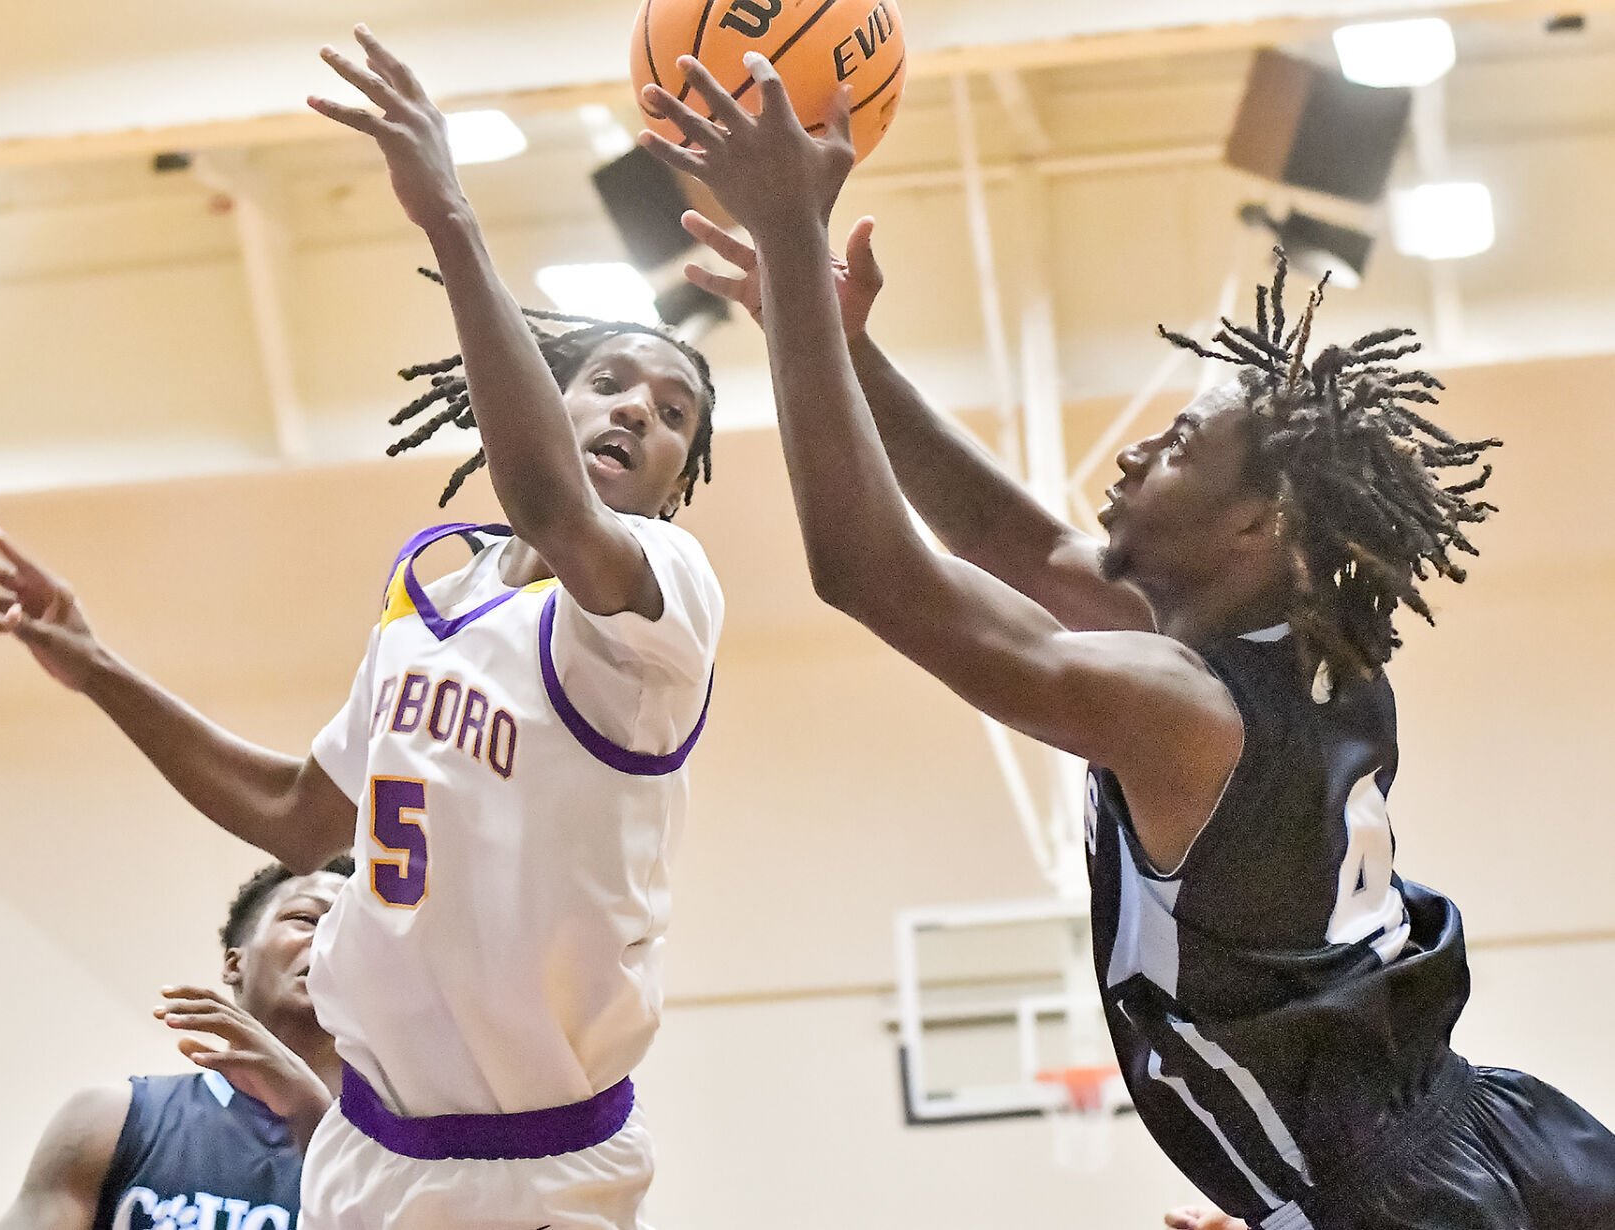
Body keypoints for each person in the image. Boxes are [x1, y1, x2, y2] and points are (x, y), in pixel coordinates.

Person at [637, 53, 1615, 1230]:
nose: (1141, 453)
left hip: (1400, 1196)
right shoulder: (1290, 657)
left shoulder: (1183, 712)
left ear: (1261, 522)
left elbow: (870, 575)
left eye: (1180, 445)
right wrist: (848, 344)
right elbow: (1015, 539)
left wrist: (795, 251)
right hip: (1485, 1136)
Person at [0, 26, 721, 1230]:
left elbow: (555, 511)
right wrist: (99, 671)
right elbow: (296, 814)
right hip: (367, 1147)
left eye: (673, 412)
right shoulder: (430, 591)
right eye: (611, 382)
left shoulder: (663, 596)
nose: (638, 408)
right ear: (550, 393)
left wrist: (450, 221)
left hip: (535, 1162)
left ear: (677, 485)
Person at [0, 860, 351, 1230]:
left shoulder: (394, 1155)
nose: (332, 939)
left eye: (353, 932)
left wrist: (314, 1114)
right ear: (234, 963)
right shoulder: (111, 1121)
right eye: (307, 919)